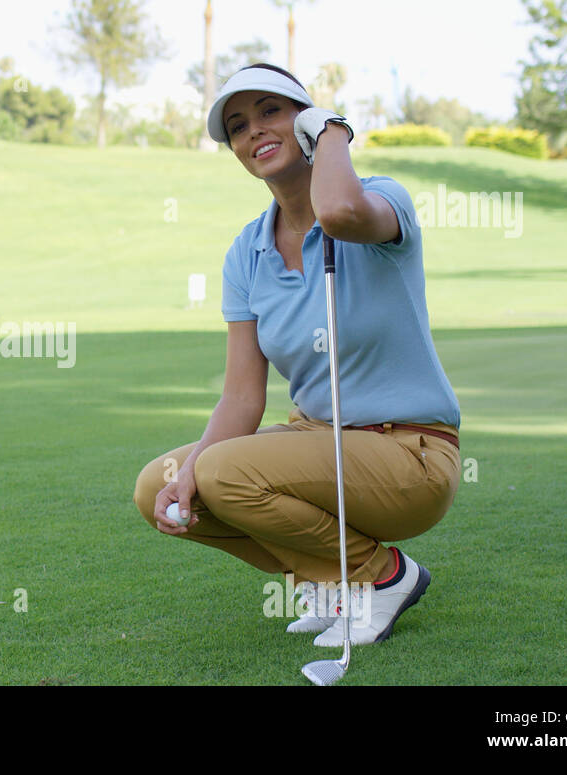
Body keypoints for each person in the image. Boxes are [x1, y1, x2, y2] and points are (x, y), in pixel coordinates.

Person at [131, 64, 462, 647]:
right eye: (237, 125)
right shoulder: (247, 252)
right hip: (315, 447)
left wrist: (332, 129)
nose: (253, 130)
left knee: (221, 472)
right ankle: (333, 586)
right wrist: (186, 476)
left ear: (304, 118)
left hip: (408, 455)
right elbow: (241, 398)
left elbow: (337, 213)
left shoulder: (380, 198)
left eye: (270, 111)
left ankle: (380, 577)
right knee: (159, 485)